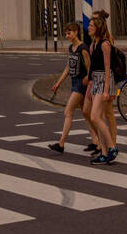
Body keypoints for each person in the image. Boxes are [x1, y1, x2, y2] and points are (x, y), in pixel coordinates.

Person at [47, 22, 91, 154]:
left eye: (69, 32)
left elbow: (90, 66)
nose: (67, 35)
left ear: (76, 32)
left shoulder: (83, 48)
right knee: (86, 114)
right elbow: (68, 67)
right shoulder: (71, 48)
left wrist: (88, 79)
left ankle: (61, 143)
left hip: (81, 83)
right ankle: (97, 142)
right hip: (74, 82)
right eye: (66, 33)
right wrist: (58, 83)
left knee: (68, 111)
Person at [82, 14, 117, 165]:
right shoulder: (92, 45)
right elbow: (92, 68)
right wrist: (90, 85)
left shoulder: (104, 44)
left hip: (104, 80)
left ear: (97, 28)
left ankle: (112, 148)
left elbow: (108, 67)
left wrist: (106, 90)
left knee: (95, 116)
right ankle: (103, 152)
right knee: (99, 118)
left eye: (91, 26)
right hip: (95, 81)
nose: (88, 28)